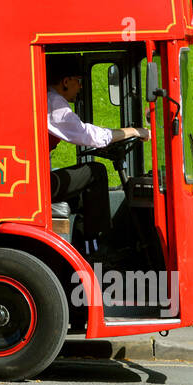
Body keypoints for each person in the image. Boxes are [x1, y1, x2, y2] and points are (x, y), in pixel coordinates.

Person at [46, 54, 148, 250]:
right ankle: (101, 245)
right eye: (79, 81)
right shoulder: (54, 102)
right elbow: (89, 136)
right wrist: (132, 131)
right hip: (38, 184)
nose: (81, 87)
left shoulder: (50, 99)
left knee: (81, 191)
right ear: (66, 81)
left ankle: (84, 246)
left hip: (39, 179)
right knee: (96, 172)